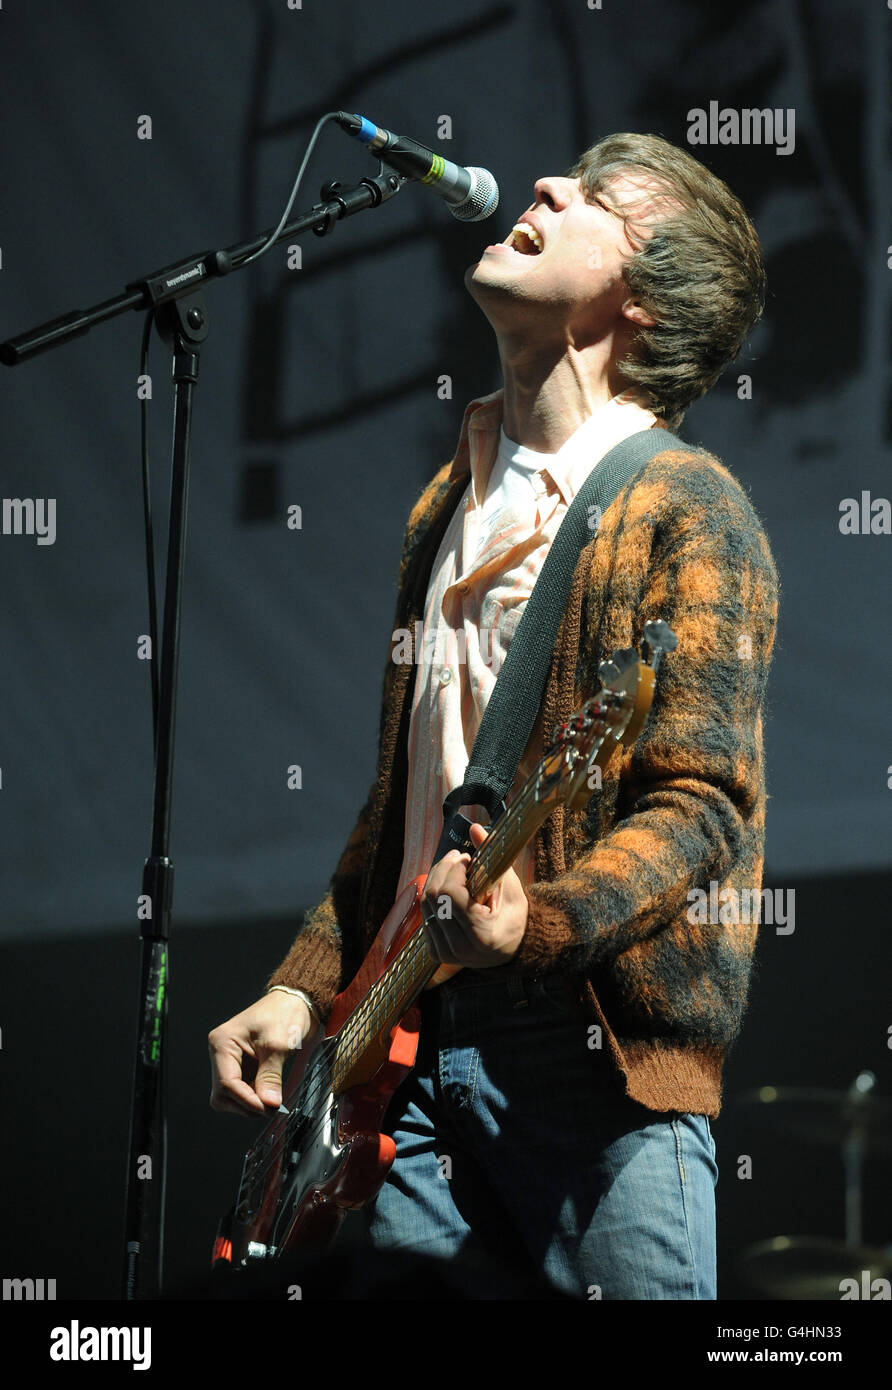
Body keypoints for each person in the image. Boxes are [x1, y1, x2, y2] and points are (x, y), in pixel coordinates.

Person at [208, 132, 779, 1299]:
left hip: (593, 1060)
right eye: (560, 176)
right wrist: (301, 985)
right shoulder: (447, 504)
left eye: (601, 200)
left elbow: (702, 805)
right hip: (411, 1054)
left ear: (650, 311)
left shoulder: (686, 503)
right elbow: (406, 804)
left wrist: (541, 923)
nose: (546, 187)